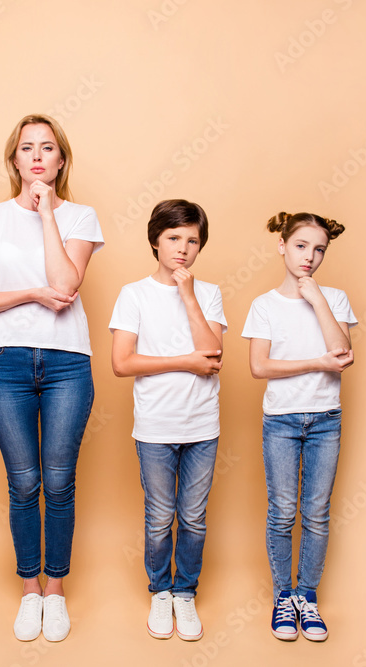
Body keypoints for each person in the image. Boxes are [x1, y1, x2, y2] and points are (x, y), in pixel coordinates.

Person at [0, 114, 103, 642]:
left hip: (67, 364)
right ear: (14, 159)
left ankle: (55, 591)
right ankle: (28, 590)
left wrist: (46, 216)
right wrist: (29, 294)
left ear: (61, 159)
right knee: (23, 483)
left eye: (47, 148)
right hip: (10, 364)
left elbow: (66, 283)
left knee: (59, 482)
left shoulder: (81, 216)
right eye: (27, 149)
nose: (37, 156)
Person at [109, 199, 226, 642]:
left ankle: (184, 591)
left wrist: (188, 295)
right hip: (156, 426)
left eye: (192, 240)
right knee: (160, 517)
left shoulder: (208, 292)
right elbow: (122, 363)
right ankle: (160, 590)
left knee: (193, 518)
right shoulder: (133, 294)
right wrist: (185, 361)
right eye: (174, 238)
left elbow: (213, 357)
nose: (183, 248)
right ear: (156, 240)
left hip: (202, 426)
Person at [241, 211, 356, 643]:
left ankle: (308, 596)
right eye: (302, 245)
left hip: (326, 419)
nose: (310, 256)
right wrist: (314, 363)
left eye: (319, 249)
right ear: (282, 246)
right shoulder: (264, 305)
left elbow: (343, 354)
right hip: (282, 421)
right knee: (282, 511)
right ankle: (283, 597)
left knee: (318, 512)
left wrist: (318, 300)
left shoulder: (335, 298)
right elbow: (258, 367)